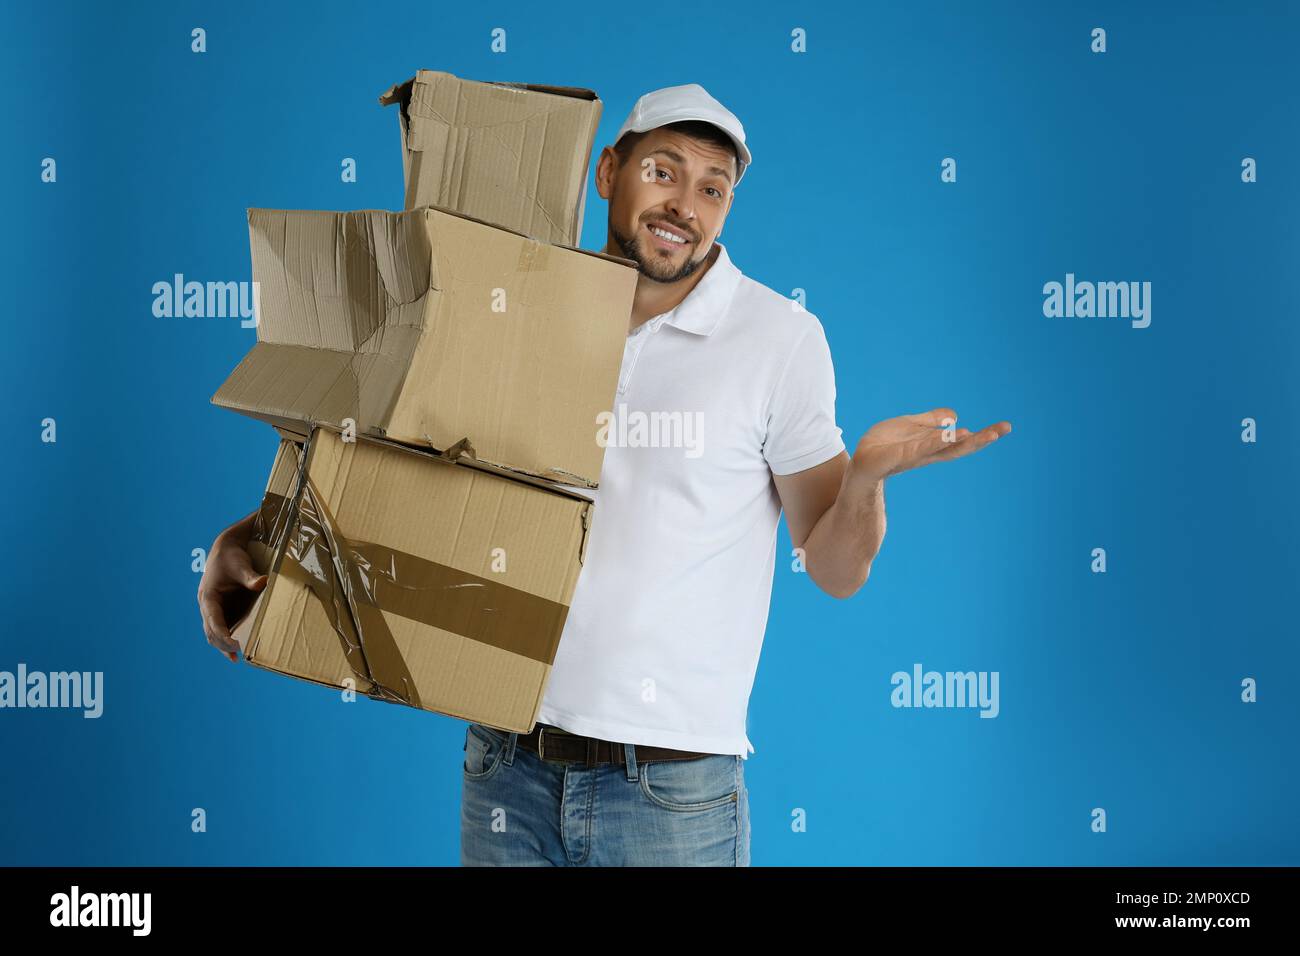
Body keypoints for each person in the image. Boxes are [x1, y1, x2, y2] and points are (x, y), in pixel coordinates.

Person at [198, 83, 1012, 867]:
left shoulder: (779, 339)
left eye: (712, 188)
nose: (684, 207)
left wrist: (864, 481)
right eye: (663, 171)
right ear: (607, 173)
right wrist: (264, 535)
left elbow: (836, 570)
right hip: (504, 763)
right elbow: (408, 468)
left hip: (669, 791)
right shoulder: (518, 307)